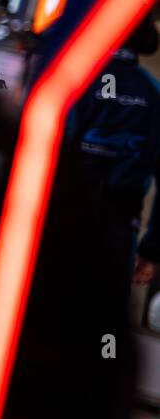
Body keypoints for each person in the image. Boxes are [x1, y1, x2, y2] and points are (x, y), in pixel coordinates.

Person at [65, 18, 160, 306]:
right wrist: (153, 250)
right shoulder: (154, 96)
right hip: (118, 235)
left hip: (61, 225)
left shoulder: (71, 82)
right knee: (99, 334)